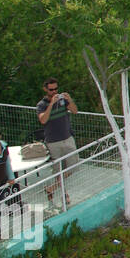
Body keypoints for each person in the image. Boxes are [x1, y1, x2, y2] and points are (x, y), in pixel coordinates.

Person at [37, 78, 79, 207]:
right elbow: (43, 120)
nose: (54, 91)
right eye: (51, 89)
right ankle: (64, 194)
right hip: (53, 142)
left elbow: (75, 111)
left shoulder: (63, 100)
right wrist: (51, 104)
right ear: (45, 89)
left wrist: (69, 99)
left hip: (67, 138)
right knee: (58, 170)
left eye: (56, 89)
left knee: (74, 164)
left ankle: (51, 188)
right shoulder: (42, 105)